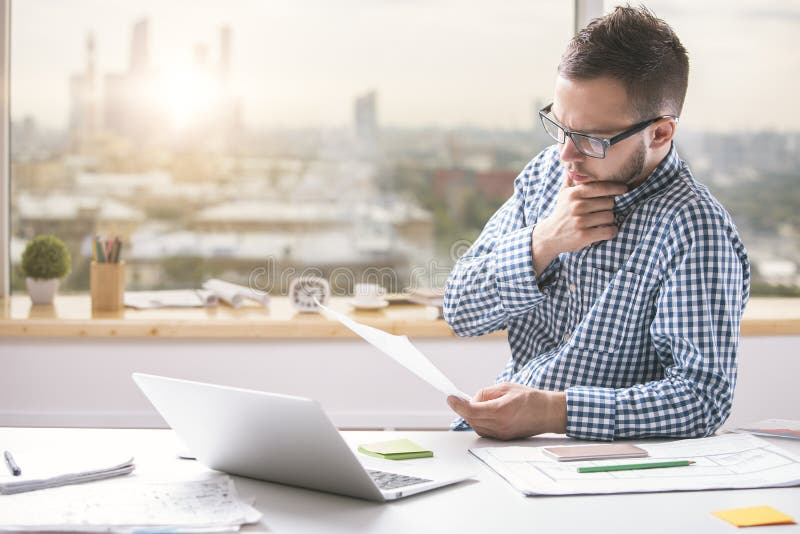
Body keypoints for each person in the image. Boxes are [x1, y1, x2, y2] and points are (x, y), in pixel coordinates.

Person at [443, 6, 750, 441]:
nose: (567, 155)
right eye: (561, 126)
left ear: (660, 133)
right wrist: (543, 242)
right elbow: (459, 312)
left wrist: (553, 412)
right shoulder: (547, 174)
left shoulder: (694, 229)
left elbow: (701, 399)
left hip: (606, 469)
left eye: (591, 138)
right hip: (506, 447)